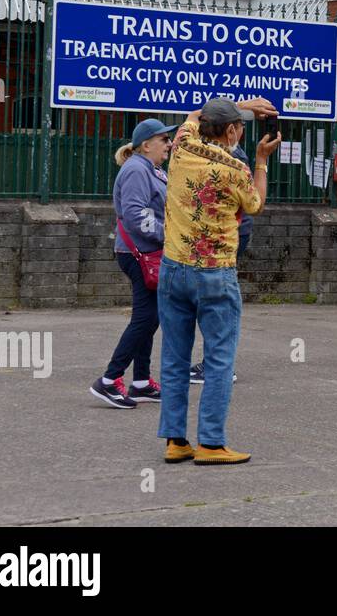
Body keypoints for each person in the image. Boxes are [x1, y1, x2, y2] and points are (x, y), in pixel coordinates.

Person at [157, 97, 280, 466]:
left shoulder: (181, 145)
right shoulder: (235, 167)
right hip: (214, 272)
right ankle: (211, 442)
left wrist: (242, 105)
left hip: (173, 267)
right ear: (230, 131)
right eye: (240, 126)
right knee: (219, 359)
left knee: (174, 357)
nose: (241, 132)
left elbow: (193, 116)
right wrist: (261, 160)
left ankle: (176, 440)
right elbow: (255, 203)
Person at [90, 118, 176, 409]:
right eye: (164, 139)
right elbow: (136, 215)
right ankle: (109, 380)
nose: (169, 144)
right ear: (146, 144)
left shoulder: (151, 169)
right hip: (139, 254)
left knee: (150, 317)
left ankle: (140, 382)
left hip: (144, 252)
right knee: (145, 319)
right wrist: (169, 236)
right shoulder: (137, 170)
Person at [188, 141, 252, 386]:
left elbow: (249, 201)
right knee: (217, 298)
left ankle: (220, 365)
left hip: (228, 233)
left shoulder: (232, 156)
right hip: (230, 232)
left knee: (219, 300)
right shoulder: (232, 155)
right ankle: (217, 363)